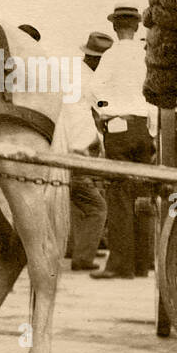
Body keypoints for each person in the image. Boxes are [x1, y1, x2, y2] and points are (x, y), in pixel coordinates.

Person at [90, 6, 156, 279]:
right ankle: (143, 264)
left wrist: (107, 109)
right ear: (137, 27)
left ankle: (120, 264)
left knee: (119, 198)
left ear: (116, 28)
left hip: (119, 128)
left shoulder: (111, 55)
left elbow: (94, 91)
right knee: (142, 198)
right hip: (145, 129)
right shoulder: (147, 55)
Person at [67, 31, 112, 271]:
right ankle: (83, 258)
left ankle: (71, 248)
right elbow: (105, 108)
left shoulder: (72, 75)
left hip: (62, 147)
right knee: (96, 208)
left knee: (75, 203)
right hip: (79, 149)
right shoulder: (92, 82)